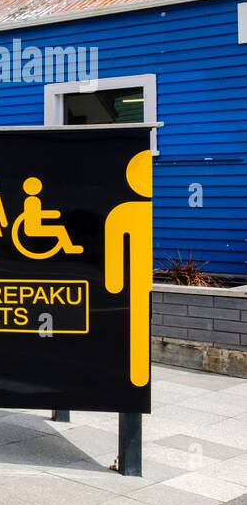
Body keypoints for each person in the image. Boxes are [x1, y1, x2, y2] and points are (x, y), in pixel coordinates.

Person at [105, 151, 153, 388]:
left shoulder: (120, 212)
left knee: (135, 321)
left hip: (129, 279)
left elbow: (112, 248)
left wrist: (113, 282)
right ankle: (137, 377)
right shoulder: (138, 210)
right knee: (138, 321)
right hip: (139, 278)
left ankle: (136, 378)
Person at [16, 177, 83, 255]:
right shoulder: (32, 201)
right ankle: (69, 248)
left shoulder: (32, 200)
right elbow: (37, 214)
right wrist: (54, 214)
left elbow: (38, 214)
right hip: (34, 229)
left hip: (35, 227)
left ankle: (68, 248)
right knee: (60, 230)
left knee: (59, 229)